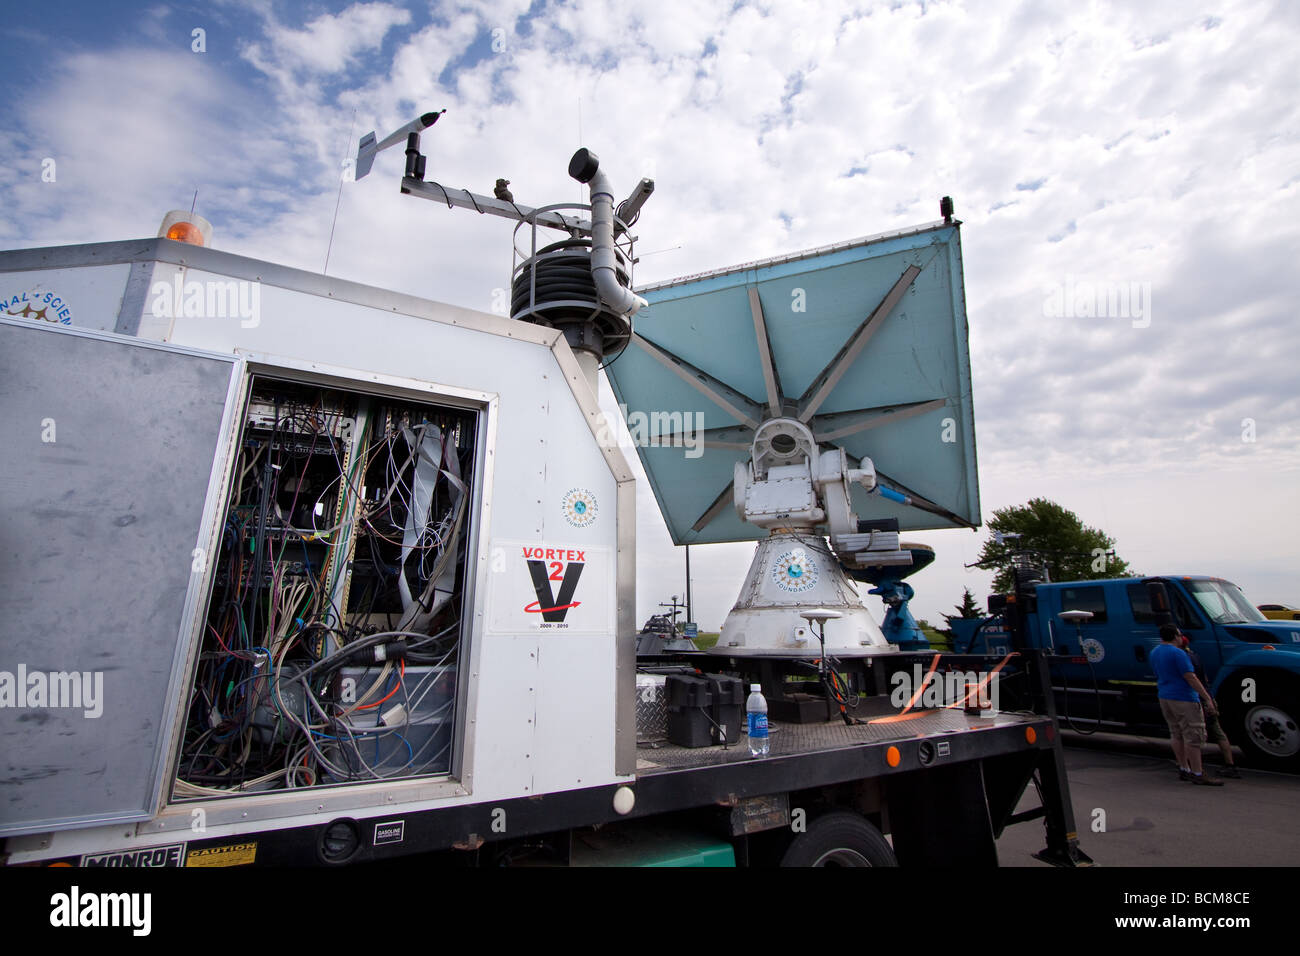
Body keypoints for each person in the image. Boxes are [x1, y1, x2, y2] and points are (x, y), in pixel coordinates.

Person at [1151, 623, 1223, 785]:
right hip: (1184, 698)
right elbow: (1190, 677)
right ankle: (1198, 773)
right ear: (1176, 636)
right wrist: (1207, 698)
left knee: (1176, 733)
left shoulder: (1154, 652)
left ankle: (1184, 768)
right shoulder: (1178, 654)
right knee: (1193, 736)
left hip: (1165, 696)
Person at [1178, 631, 1241, 777]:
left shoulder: (1184, 659)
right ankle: (1230, 764)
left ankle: (1193, 767)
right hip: (1208, 697)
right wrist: (1210, 698)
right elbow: (1204, 678)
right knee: (1219, 733)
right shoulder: (1196, 656)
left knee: (1192, 734)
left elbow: (1190, 678)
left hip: (1196, 699)